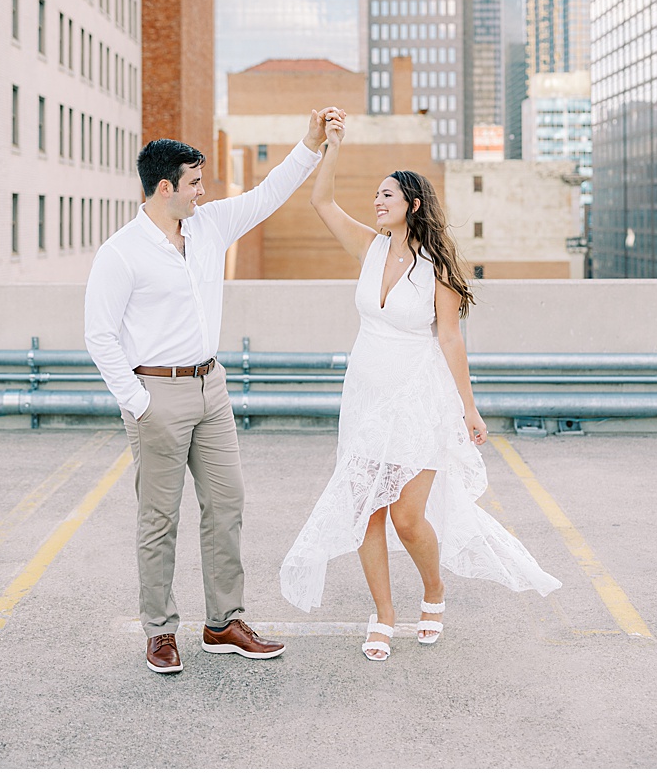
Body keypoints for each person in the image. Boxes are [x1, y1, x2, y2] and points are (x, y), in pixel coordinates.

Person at [279, 111, 561, 660]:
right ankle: (384, 614)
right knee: (366, 514)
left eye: (387, 195)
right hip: (364, 397)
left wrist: (470, 411)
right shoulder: (370, 248)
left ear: (412, 204)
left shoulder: (437, 268)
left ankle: (434, 592)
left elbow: (451, 342)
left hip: (418, 400)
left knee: (408, 519)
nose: (377, 201)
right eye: (376, 195)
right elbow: (321, 203)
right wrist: (332, 145)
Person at [84, 110, 337, 676]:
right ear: (166, 187)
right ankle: (160, 632)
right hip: (156, 393)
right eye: (195, 182)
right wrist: (138, 401)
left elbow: (270, 193)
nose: (205, 190)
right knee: (159, 520)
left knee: (227, 505)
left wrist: (310, 143)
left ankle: (224, 622)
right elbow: (99, 335)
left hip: (211, 387)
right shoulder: (121, 252)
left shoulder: (210, 225)